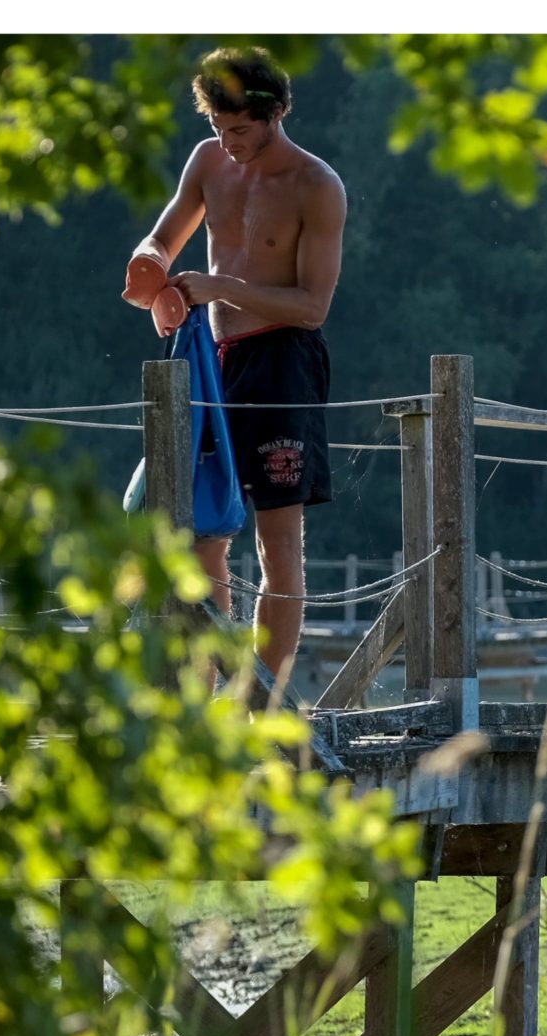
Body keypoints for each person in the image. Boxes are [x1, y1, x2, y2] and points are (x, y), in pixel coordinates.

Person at [121, 45, 347, 681]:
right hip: (213, 362)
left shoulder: (316, 185)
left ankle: (262, 702)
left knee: (277, 544)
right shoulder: (208, 161)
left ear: (274, 113)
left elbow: (313, 305)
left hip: (284, 361)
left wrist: (219, 287)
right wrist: (151, 267)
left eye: (240, 130)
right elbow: (164, 236)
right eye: (218, 129)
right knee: (199, 532)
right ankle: (213, 691)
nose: (228, 143)